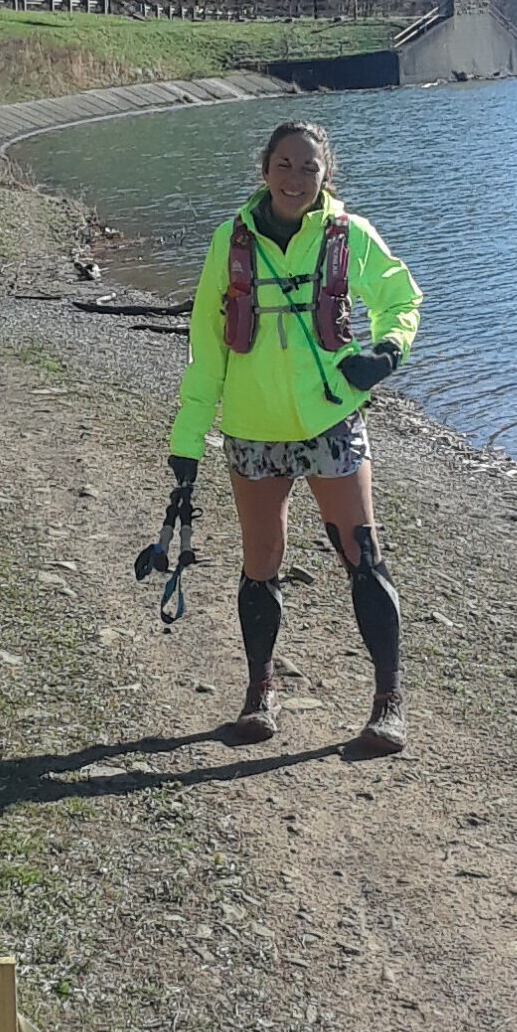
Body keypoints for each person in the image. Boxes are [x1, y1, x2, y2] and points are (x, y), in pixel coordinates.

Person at [167, 118, 423, 755]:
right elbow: (206, 350)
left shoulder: (348, 235)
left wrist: (387, 352)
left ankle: (388, 703)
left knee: (362, 555)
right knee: (260, 563)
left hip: (330, 420)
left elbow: (401, 298)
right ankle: (260, 694)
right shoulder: (230, 241)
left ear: (325, 175)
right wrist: (188, 440)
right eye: (284, 164)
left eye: (309, 168)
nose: (295, 178)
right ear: (264, 170)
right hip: (253, 430)